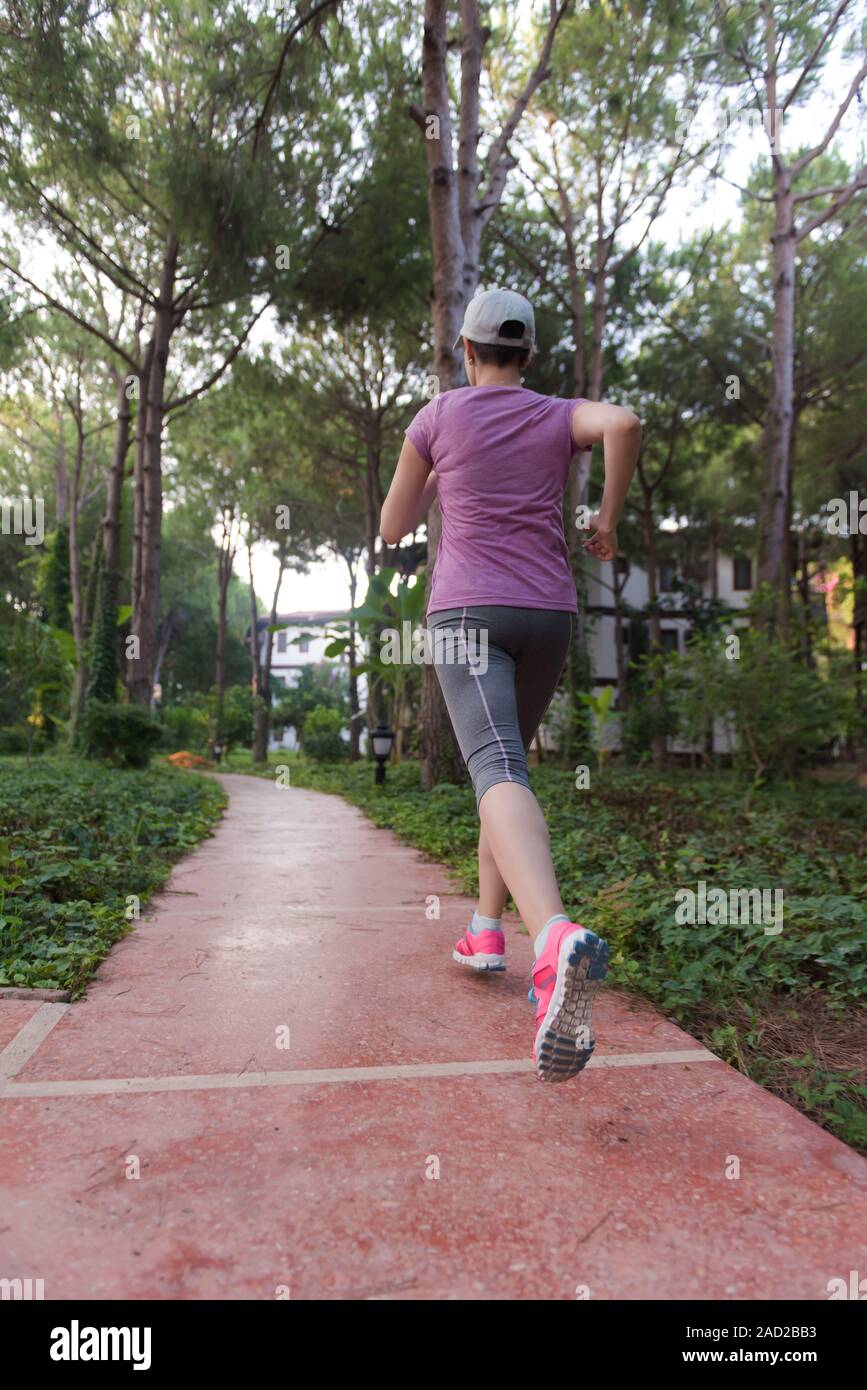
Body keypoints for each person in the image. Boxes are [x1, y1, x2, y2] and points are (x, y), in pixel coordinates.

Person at [380, 287, 640, 1083]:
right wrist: (608, 514)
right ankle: (484, 930)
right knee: (509, 769)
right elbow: (624, 422)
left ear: (465, 351)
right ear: (526, 355)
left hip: (465, 611)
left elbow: (392, 529)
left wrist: (434, 481)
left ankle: (550, 939)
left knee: (493, 769)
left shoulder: (437, 416)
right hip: (547, 616)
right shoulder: (556, 413)